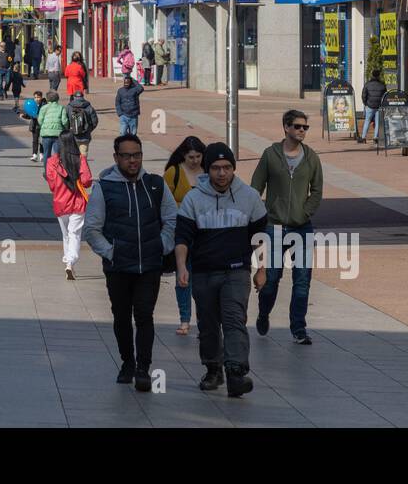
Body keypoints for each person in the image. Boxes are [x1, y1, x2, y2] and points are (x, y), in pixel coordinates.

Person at [83, 134, 177, 392]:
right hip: (118, 267)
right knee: (121, 316)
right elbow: (92, 228)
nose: (132, 160)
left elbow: (171, 218)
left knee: (145, 315)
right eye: (126, 155)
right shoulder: (105, 187)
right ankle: (127, 361)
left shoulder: (155, 184)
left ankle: (143, 368)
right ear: (116, 158)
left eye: (136, 154)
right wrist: (110, 252)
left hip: (149, 265)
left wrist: (162, 245)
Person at [175, 142, 269, 396]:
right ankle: (213, 368)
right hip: (204, 272)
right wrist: (182, 267)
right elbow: (182, 237)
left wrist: (262, 269)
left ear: (233, 169)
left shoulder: (248, 196)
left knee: (234, 319)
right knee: (207, 324)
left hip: (236, 272)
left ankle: (236, 373)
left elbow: (260, 236)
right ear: (208, 170)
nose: (222, 173)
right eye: (216, 168)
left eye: (227, 167)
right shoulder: (194, 198)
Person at [250, 109, 324, 346]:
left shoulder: (311, 158)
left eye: (305, 127)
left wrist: (305, 212)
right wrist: (258, 218)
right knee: (271, 279)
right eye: (298, 127)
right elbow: (255, 189)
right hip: (275, 227)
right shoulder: (270, 155)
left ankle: (298, 329)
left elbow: (317, 191)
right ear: (286, 127)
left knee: (302, 280)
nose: (302, 130)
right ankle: (263, 313)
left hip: (302, 228)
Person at [165, 136, 206, 335]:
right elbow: (165, 203)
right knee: (183, 277)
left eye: (198, 156)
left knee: (202, 281)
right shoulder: (173, 173)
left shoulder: (208, 172)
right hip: (181, 233)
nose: (195, 161)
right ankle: (184, 320)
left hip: (205, 236)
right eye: (191, 157)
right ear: (183, 155)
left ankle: (202, 320)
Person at [46, 131, 92, 280]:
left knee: (66, 235)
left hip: (60, 202)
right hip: (77, 203)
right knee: (75, 234)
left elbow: (52, 184)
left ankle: (69, 263)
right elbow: (87, 181)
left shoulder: (52, 162)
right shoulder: (79, 159)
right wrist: (83, 159)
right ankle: (70, 262)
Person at [359, 69, 387, 144]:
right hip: (378, 106)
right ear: (379, 76)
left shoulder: (367, 84)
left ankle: (363, 137)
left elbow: (363, 95)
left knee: (367, 121)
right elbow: (385, 96)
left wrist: (366, 104)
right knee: (377, 122)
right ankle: (375, 138)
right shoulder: (382, 85)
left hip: (370, 105)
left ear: (372, 75)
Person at [67, 89, 99, 155]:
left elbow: (65, 121)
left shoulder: (69, 107)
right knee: (83, 157)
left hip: (72, 136)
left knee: (73, 157)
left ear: (74, 97)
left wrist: (69, 129)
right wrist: (88, 129)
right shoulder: (88, 107)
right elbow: (95, 121)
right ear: (83, 97)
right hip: (85, 136)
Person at [37, 90, 66, 162]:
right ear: (57, 98)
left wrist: (44, 126)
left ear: (47, 99)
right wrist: (65, 128)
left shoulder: (43, 108)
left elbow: (40, 120)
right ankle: (56, 171)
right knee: (57, 155)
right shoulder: (61, 108)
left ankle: (47, 171)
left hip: (46, 134)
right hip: (58, 134)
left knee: (46, 154)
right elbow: (64, 121)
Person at [23, 90, 45, 161]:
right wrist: (24, 116)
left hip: (42, 125)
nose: (36, 99)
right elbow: (30, 114)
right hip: (34, 125)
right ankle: (34, 154)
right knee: (35, 140)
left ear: (41, 97)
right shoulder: (32, 104)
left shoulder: (44, 105)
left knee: (42, 140)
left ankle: (42, 154)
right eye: (35, 97)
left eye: (38, 97)